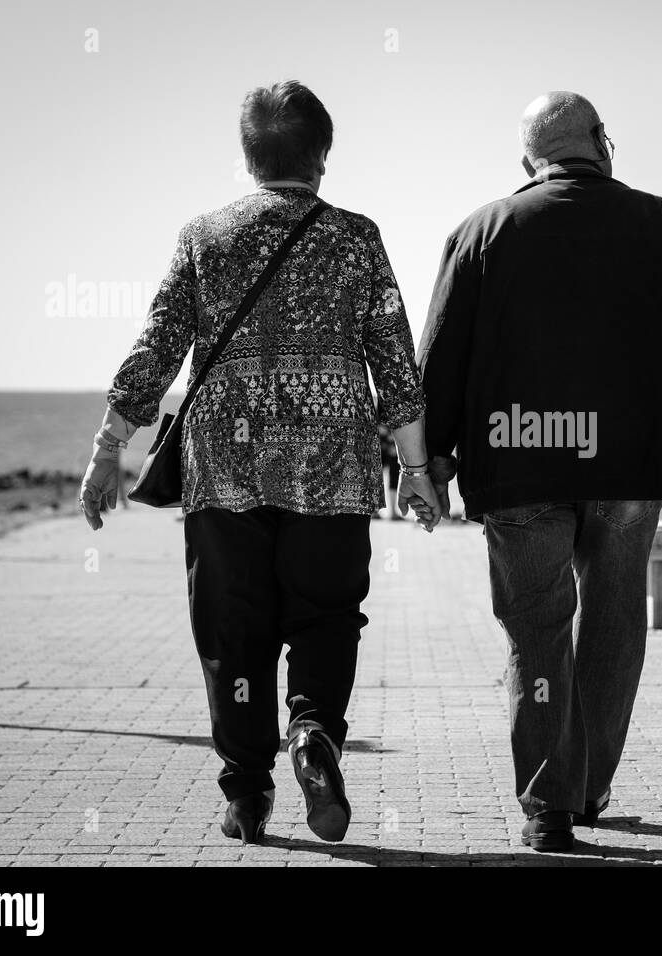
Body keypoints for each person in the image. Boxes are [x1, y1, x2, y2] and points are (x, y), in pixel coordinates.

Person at [79, 80, 442, 845]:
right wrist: (415, 472)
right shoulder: (357, 237)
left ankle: (246, 794)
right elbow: (395, 368)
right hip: (332, 470)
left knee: (233, 631)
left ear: (248, 156)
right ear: (323, 153)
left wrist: (108, 448)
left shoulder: (203, 236)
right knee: (325, 617)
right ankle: (314, 737)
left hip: (225, 470)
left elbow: (155, 352)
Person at [418, 91, 662, 852]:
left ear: (527, 159)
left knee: (536, 628)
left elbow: (439, 356)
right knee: (616, 613)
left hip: (517, 459)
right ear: (599, 142)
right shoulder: (661, 223)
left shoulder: (482, 232)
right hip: (629, 462)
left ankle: (549, 806)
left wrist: (429, 458)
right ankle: (590, 783)